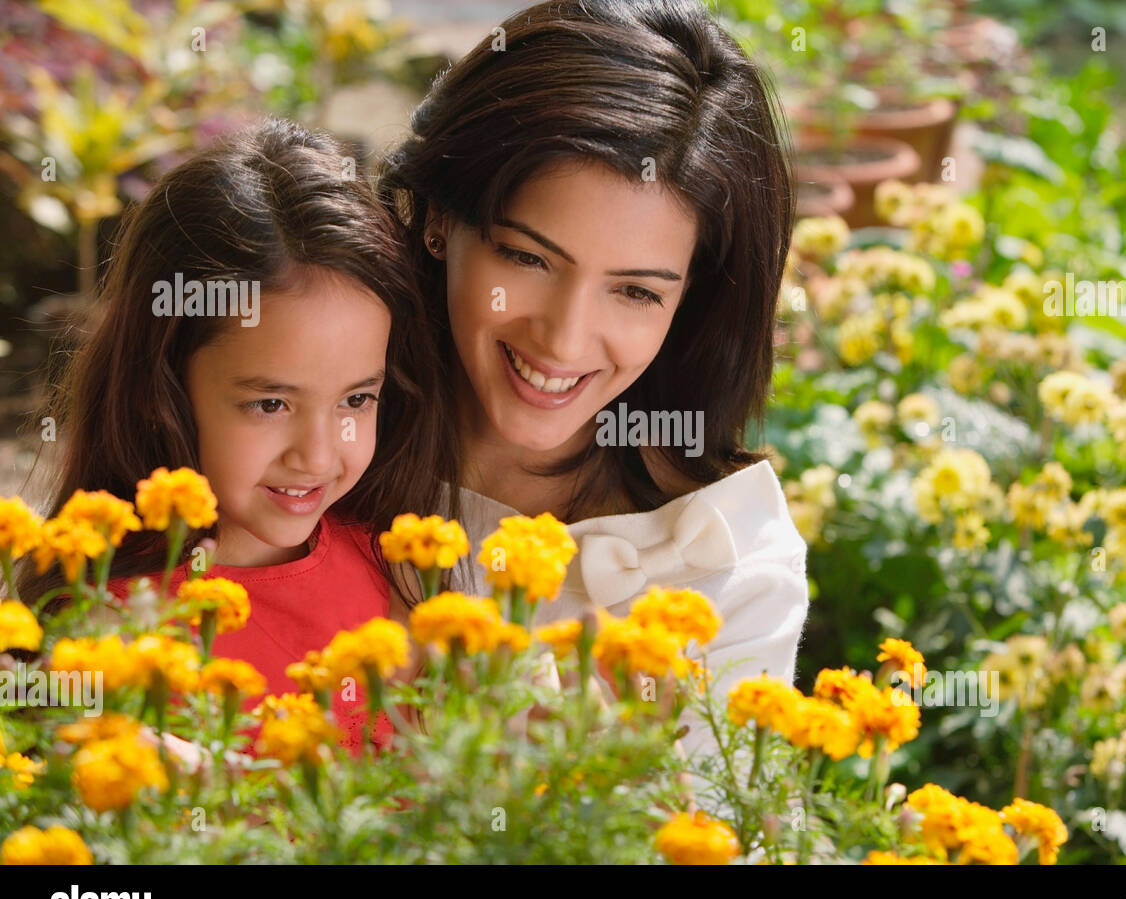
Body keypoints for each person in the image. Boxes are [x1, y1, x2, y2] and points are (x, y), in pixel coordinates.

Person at [379, 0, 809, 757]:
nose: (564, 339)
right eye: (527, 258)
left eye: (636, 291)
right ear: (442, 216)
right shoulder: (320, 435)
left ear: (690, 303)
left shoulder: (722, 559)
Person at [16, 118, 456, 755]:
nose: (318, 454)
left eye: (357, 399)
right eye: (271, 403)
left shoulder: (397, 571)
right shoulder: (102, 635)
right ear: (161, 389)